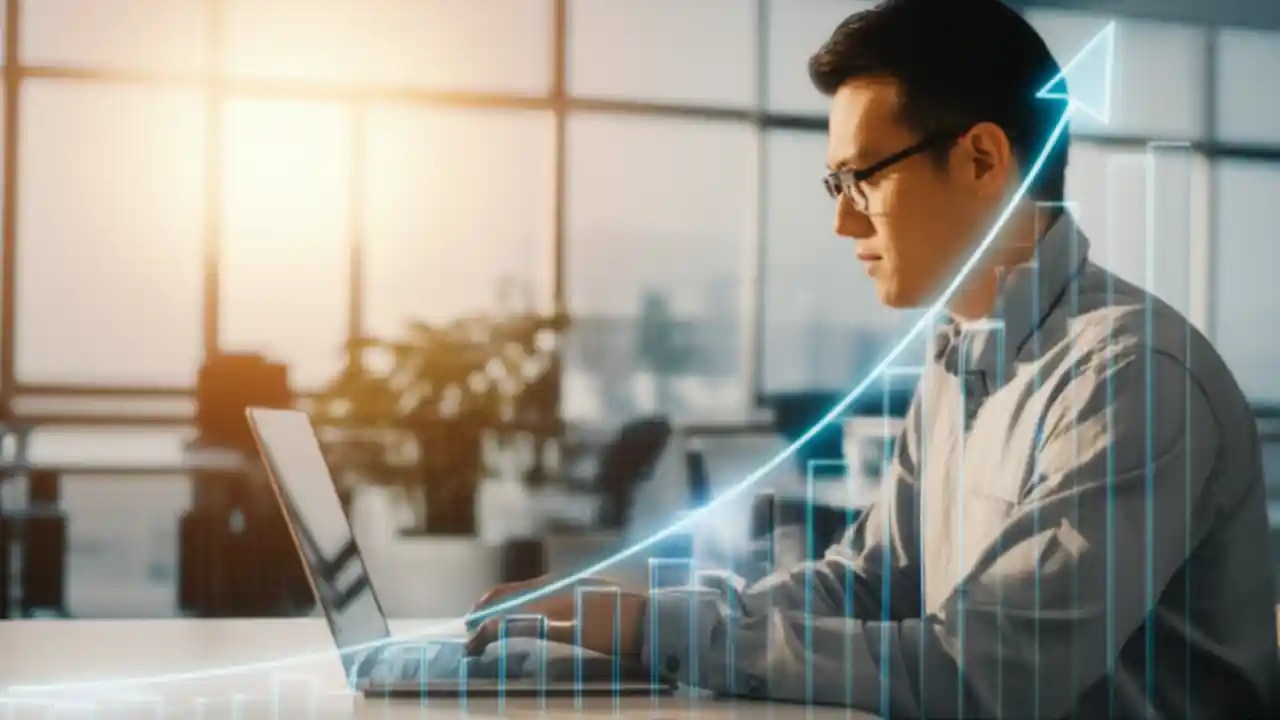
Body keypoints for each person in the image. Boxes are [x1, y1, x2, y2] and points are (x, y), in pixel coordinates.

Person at [466, 0, 1278, 716]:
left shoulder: (1130, 377)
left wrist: (656, 631)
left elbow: (987, 676)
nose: (845, 224)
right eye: (838, 187)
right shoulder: (963, 351)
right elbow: (869, 584)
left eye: (863, 179)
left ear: (982, 160)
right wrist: (636, 617)